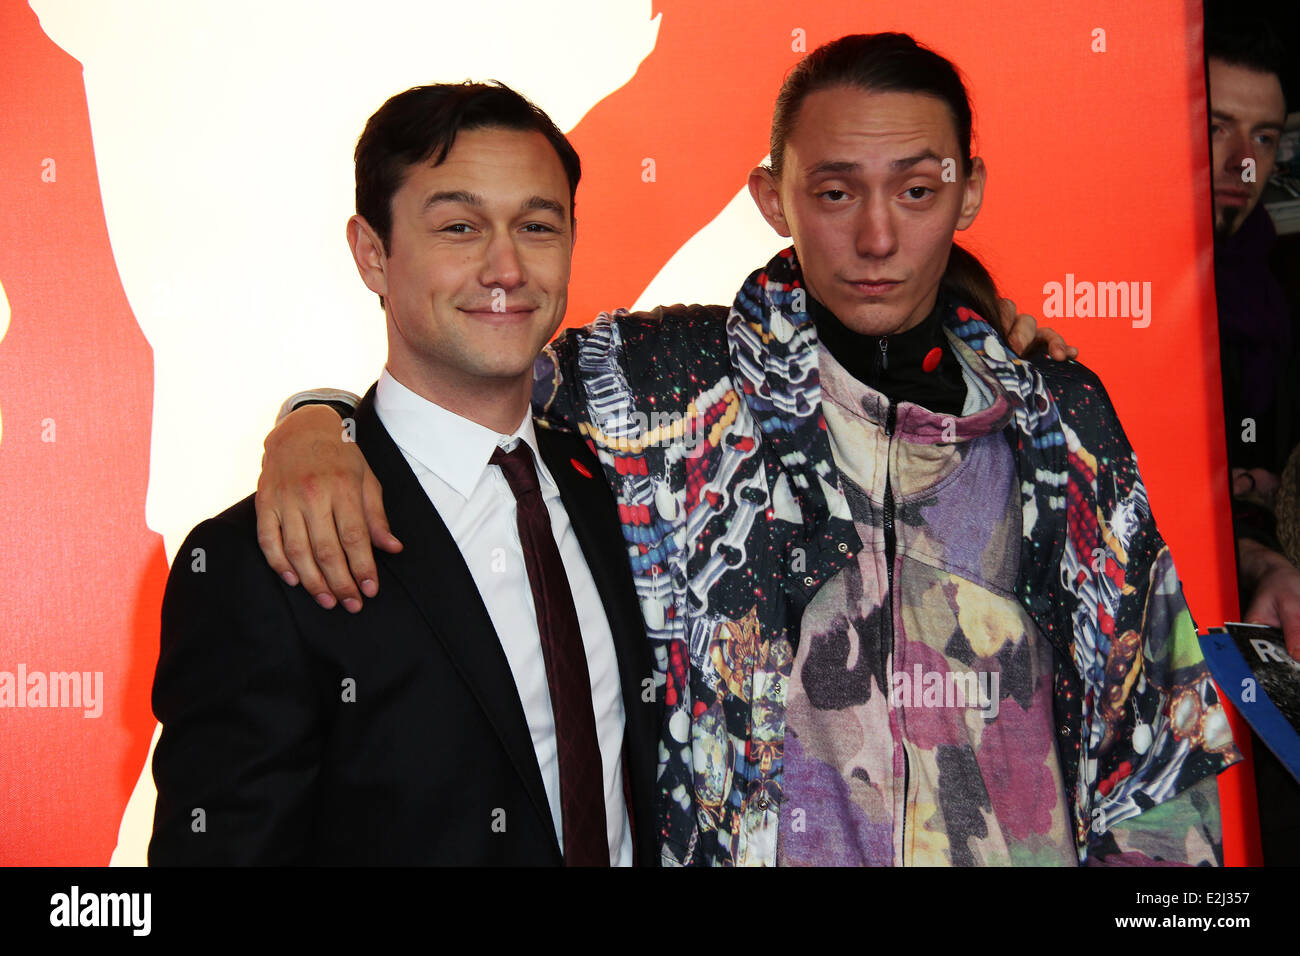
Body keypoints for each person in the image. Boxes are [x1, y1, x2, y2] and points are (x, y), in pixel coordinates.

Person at [259, 34, 1235, 866]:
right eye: (835, 190)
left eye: (919, 187)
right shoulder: (655, 382)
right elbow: (459, 391)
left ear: (968, 190)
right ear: (773, 197)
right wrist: (318, 420)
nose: (879, 235)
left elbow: (1157, 748)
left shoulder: (1058, 415)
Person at [149, 82, 660, 865]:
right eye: (459, 226)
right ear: (372, 254)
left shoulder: (628, 484)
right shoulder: (261, 563)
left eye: (536, 225)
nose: (506, 266)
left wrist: (313, 411)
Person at [1205, 5, 1300, 864]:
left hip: (1243, 624)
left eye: (1263, 137)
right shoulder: (1099, 275)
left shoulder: (1270, 292)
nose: (1243, 161)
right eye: (1217, 127)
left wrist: (1263, 557)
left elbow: (1253, 474)